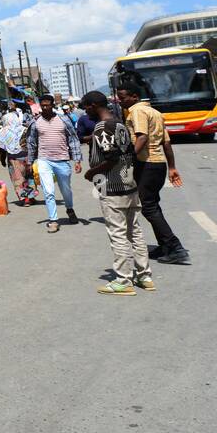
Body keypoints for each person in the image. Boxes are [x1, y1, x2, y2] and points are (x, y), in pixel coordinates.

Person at [80, 91, 154, 295]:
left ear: (94, 105)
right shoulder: (120, 124)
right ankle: (144, 275)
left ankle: (123, 280)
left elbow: (111, 157)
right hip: (129, 184)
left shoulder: (102, 127)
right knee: (135, 231)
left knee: (118, 233)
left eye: (86, 107)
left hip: (112, 187)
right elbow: (129, 151)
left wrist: (91, 172)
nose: (86, 112)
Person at [116, 79, 189, 265]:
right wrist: (171, 167)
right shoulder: (155, 112)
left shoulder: (138, 111)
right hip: (158, 164)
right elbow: (166, 143)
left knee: (148, 206)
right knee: (152, 204)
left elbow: (142, 137)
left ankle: (175, 247)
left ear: (134, 96)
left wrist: (127, 157)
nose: (120, 101)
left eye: (123, 98)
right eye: (118, 98)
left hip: (146, 164)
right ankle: (164, 245)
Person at [25, 92, 82, 233]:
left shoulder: (64, 120)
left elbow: (73, 139)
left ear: (52, 105)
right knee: (48, 191)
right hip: (44, 160)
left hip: (62, 160)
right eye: (42, 105)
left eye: (47, 105)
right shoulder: (35, 122)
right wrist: (30, 162)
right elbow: (31, 143)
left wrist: (77, 160)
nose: (45, 108)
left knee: (66, 190)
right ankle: (53, 220)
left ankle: (70, 209)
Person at [0, 108, 35, 206]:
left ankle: (25, 199)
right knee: (29, 176)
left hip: (14, 159)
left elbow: (2, 149)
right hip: (27, 156)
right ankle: (31, 196)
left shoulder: (2, 132)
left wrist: (2, 160)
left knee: (18, 179)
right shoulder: (24, 129)